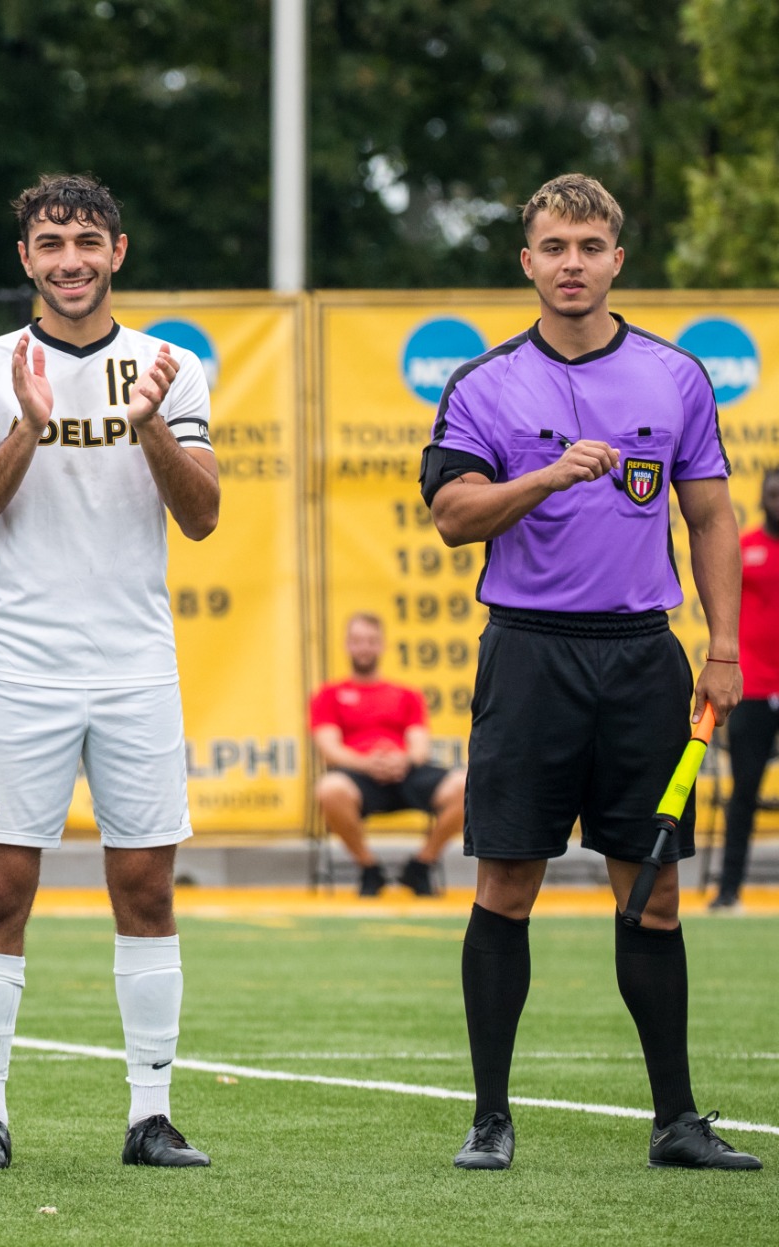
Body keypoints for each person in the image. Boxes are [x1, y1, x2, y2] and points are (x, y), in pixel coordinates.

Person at [420, 173, 759, 1171]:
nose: (571, 264)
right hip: (527, 653)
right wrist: (544, 475)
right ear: (526, 261)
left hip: (642, 657)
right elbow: (450, 517)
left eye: (589, 246)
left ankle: (676, 1121)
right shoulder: (483, 382)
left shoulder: (674, 375)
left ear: (617, 259)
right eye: (554, 247)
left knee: (652, 895)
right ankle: (489, 1118)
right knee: (505, 885)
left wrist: (723, 647)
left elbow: (710, 517)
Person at [0, 173, 220, 1172]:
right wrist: (28, 422)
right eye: (51, 243)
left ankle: (151, 1114)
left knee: (145, 886)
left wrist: (148, 424)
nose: (70, 259)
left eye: (87, 241)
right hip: (21, 662)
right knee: (0, 890)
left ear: (117, 252)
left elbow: (202, 516)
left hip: (135, 661)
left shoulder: (169, 367)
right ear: (25, 258)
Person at [309, 613, 465, 897]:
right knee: (329, 789)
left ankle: (421, 865)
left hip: (405, 773)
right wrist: (368, 764)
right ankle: (369, 868)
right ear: (347, 645)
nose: (364, 647)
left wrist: (402, 761)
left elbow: (419, 747)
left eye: (371, 641)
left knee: (466, 786)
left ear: (382, 645)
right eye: (358, 641)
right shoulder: (328, 695)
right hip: (357, 776)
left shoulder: (406, 694)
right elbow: (329, 750)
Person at [714, 468, 779, 911]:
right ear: (761, 497)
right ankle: (728, 892)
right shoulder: (745, 548)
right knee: (744, 793)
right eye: (773, 493)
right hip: (754, 689)